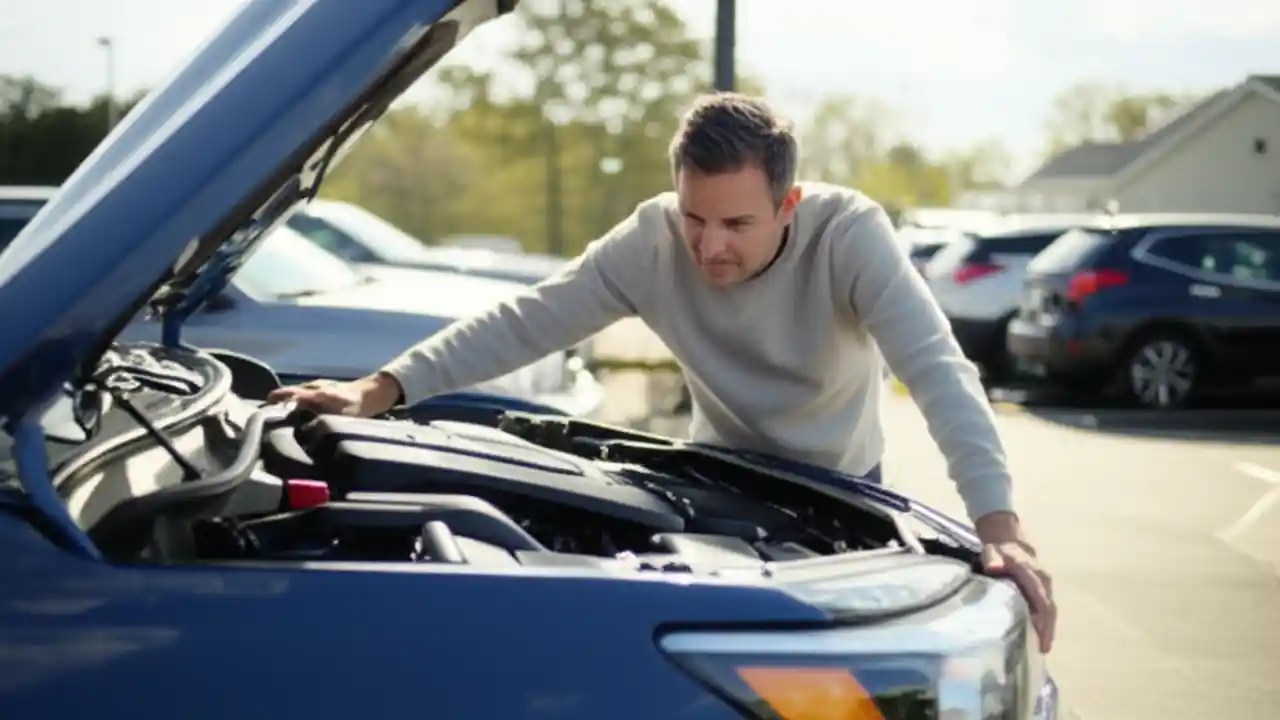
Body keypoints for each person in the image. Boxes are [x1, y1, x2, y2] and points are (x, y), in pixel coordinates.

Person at [267, 92, 1056, 652]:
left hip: (841, 493)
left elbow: (939, 369)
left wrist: (1000, 529)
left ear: (790, 205)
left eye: (738, 223)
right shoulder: (651, 242)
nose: (709, 245)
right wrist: (378, 389)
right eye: (695, 217)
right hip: (717, 482)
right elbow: (526, 320)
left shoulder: (848, 236)